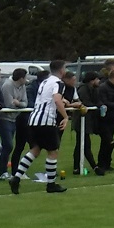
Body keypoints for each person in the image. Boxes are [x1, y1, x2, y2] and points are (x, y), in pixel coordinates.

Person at [10, 60, 69, 195]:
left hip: (33, 119)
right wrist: (65, 117)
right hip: (46, 120)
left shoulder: (44, 81)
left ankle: (16, 178)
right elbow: (56, 99)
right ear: (61, 70)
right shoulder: (58, 83)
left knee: (35, 150)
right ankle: (51, 184)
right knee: (53, 151)